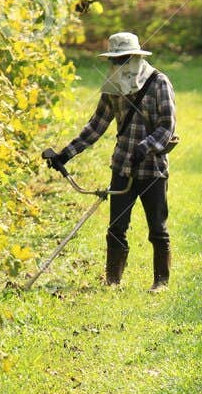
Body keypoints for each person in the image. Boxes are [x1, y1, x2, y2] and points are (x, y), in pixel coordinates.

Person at [43, 33, 177, 291]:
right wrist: (66, 154)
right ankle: (112, 280)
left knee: (157, 228)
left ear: (136, 57)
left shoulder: (159, 83)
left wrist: (146, 147)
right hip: (122, 167)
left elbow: (167, 126)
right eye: (115, 60)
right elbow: (97, 125)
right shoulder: (113, 87)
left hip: (153, 169)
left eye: (124, 59)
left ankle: (161, 281)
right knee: (116, 228)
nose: (120, 65)